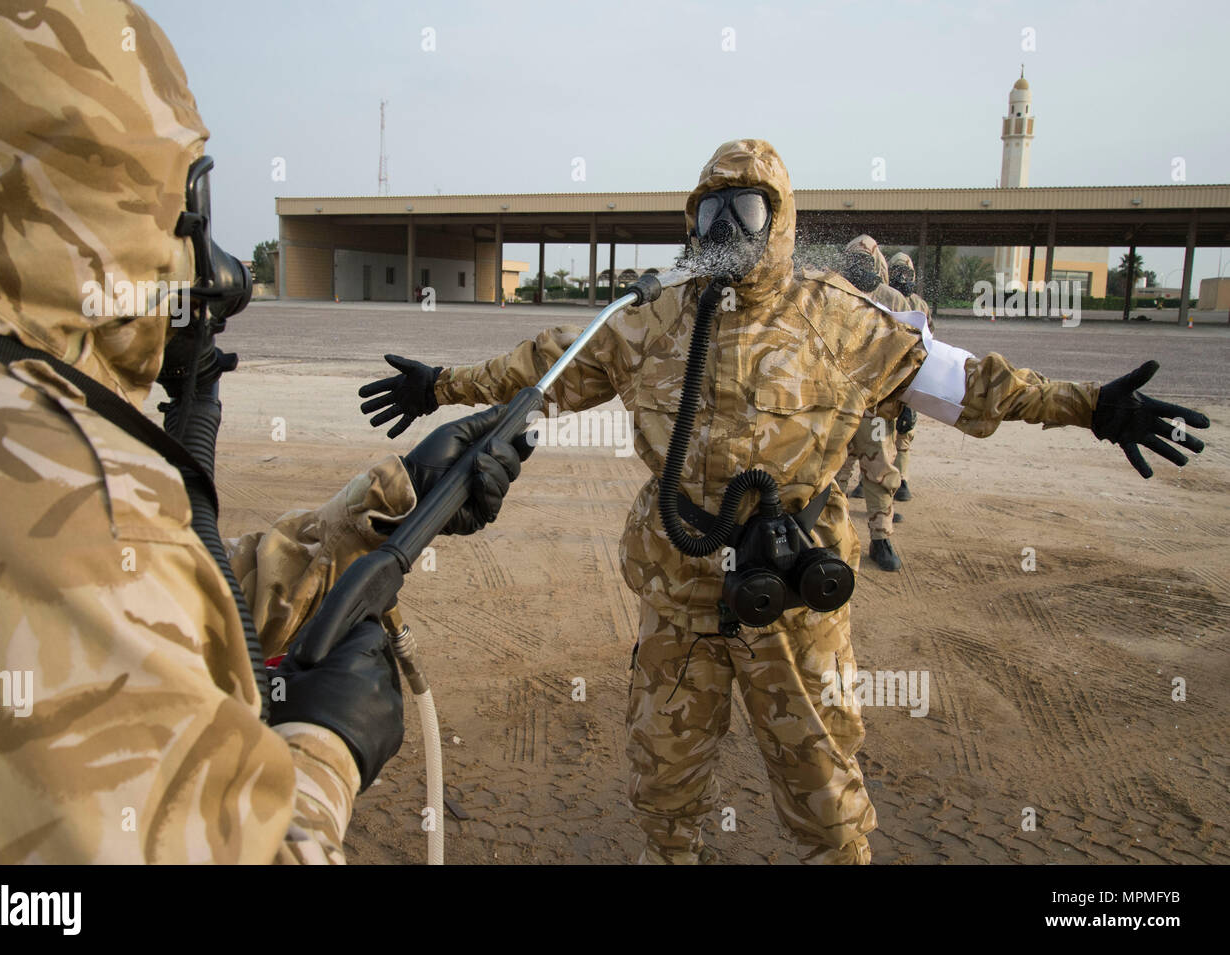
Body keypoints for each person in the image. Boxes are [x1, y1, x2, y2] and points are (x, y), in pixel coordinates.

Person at [358, 138, 1208, 865]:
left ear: (784, 219)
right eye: (711, 208)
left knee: (827, 805)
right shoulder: (647, 321)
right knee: (663, 793)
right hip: (680, 604)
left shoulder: (841, 320)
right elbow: (541, 365)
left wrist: (1094, 407)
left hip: (794, 605)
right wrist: (441, 386)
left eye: (748, 210)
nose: (726, 229)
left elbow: (970, 384)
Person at [0, 0, 528, 864]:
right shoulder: (38, 482)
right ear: (108, 204)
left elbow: (159, 590)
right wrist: (326, 746)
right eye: (182, 205)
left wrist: (393, 498)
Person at [833, 236, 908, 570]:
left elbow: (913, 354)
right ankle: (830, 538)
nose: (859, 266)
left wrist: (909, 405)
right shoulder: (834, 293)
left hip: (877, 406)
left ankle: (881, 538)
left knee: (879, 473)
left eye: (867, 260)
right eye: (854, 260)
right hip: (839, 403)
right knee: (831, 473)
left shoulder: (893, 300)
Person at [886, 251, 931, 502]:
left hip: (909, 375)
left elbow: (928, 343)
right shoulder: (890, 298)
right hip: (893, 375)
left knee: (904, 429)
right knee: (880, 431)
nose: (902, 278)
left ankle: (902, 479)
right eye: (898, 273)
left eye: (906, 273)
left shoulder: (918, 305)